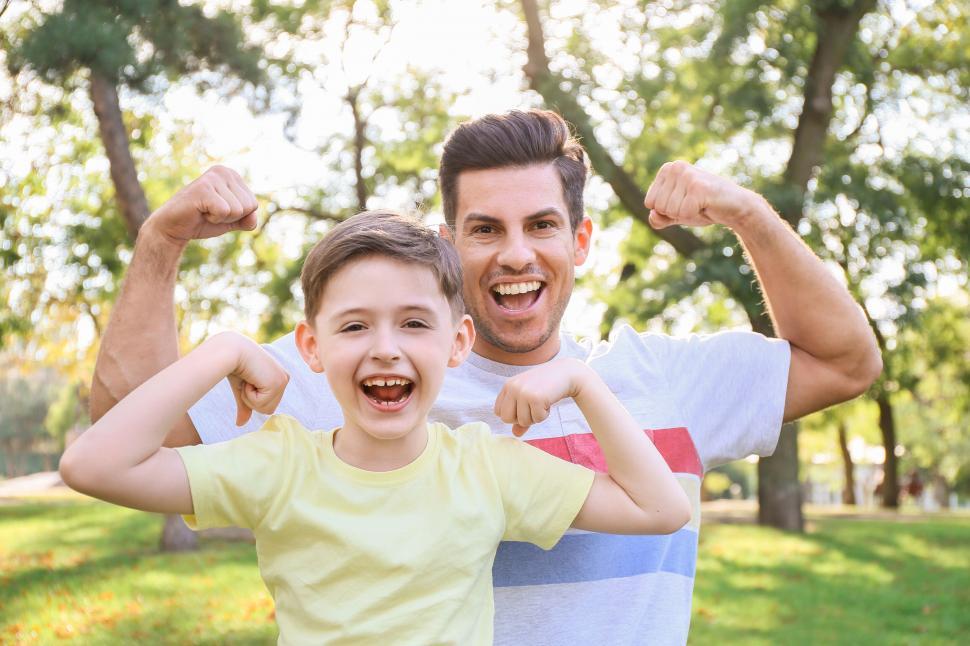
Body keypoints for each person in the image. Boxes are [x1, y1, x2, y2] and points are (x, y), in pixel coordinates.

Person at [90, 110, 882, 645]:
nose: (514, 254)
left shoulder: (662, 378)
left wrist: (747, 213)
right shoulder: (354, 386)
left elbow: (845, 360)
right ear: (446, 242)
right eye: (484, 230)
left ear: (582, 242)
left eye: (541, 225)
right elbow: (122, 425)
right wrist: (162, 243)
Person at [62, 210, 692, 644]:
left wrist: (583, 383)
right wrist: (222, 350)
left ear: (457, 341)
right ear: (311, 347)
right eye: (355, 325)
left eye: (415, 323)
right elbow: (92, 465)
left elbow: (661, 508)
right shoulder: (280, 466)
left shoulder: (486, 467)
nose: (386, 349)